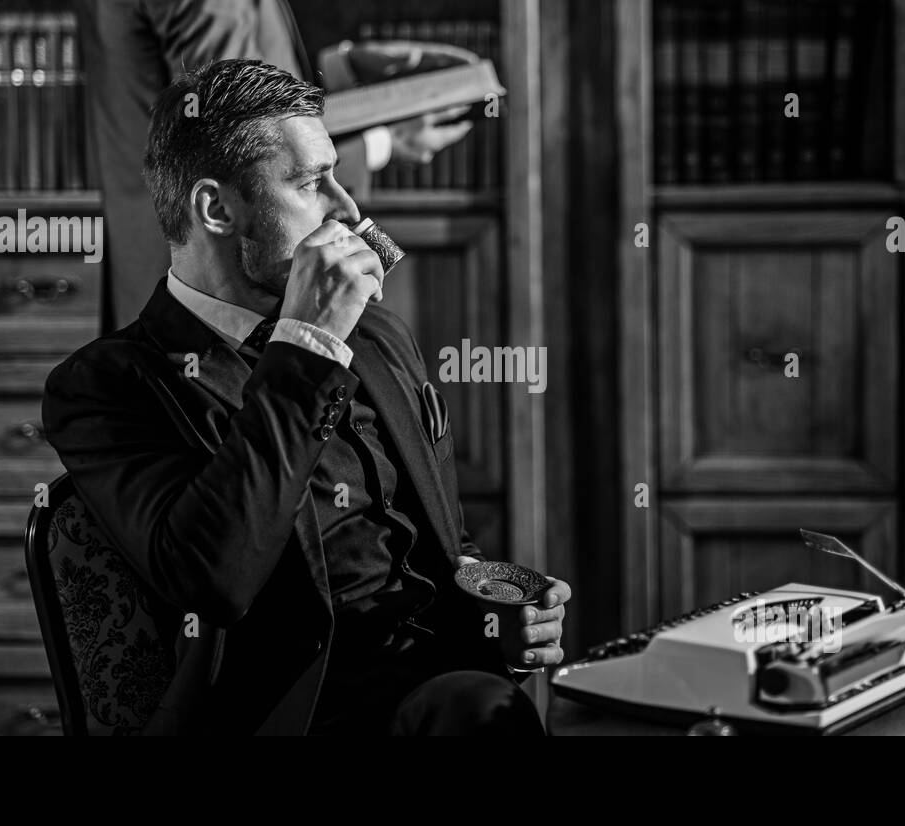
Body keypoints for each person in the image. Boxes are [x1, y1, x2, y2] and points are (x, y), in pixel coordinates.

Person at [42, 58, 571, 736]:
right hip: (290, 714)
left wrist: (491, 610)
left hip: (441, 690)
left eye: (337, 178)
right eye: (313, 184)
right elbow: (213, 582)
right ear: (217, 209)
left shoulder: (377, 331)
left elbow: (443, 543)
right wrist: (307, 345)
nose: (348, 210)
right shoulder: (107, 385)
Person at [75, 0, 474, 329]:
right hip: (224, 308)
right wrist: (384, 142)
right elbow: (243, 143)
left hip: (158, 282)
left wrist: (341, 69)